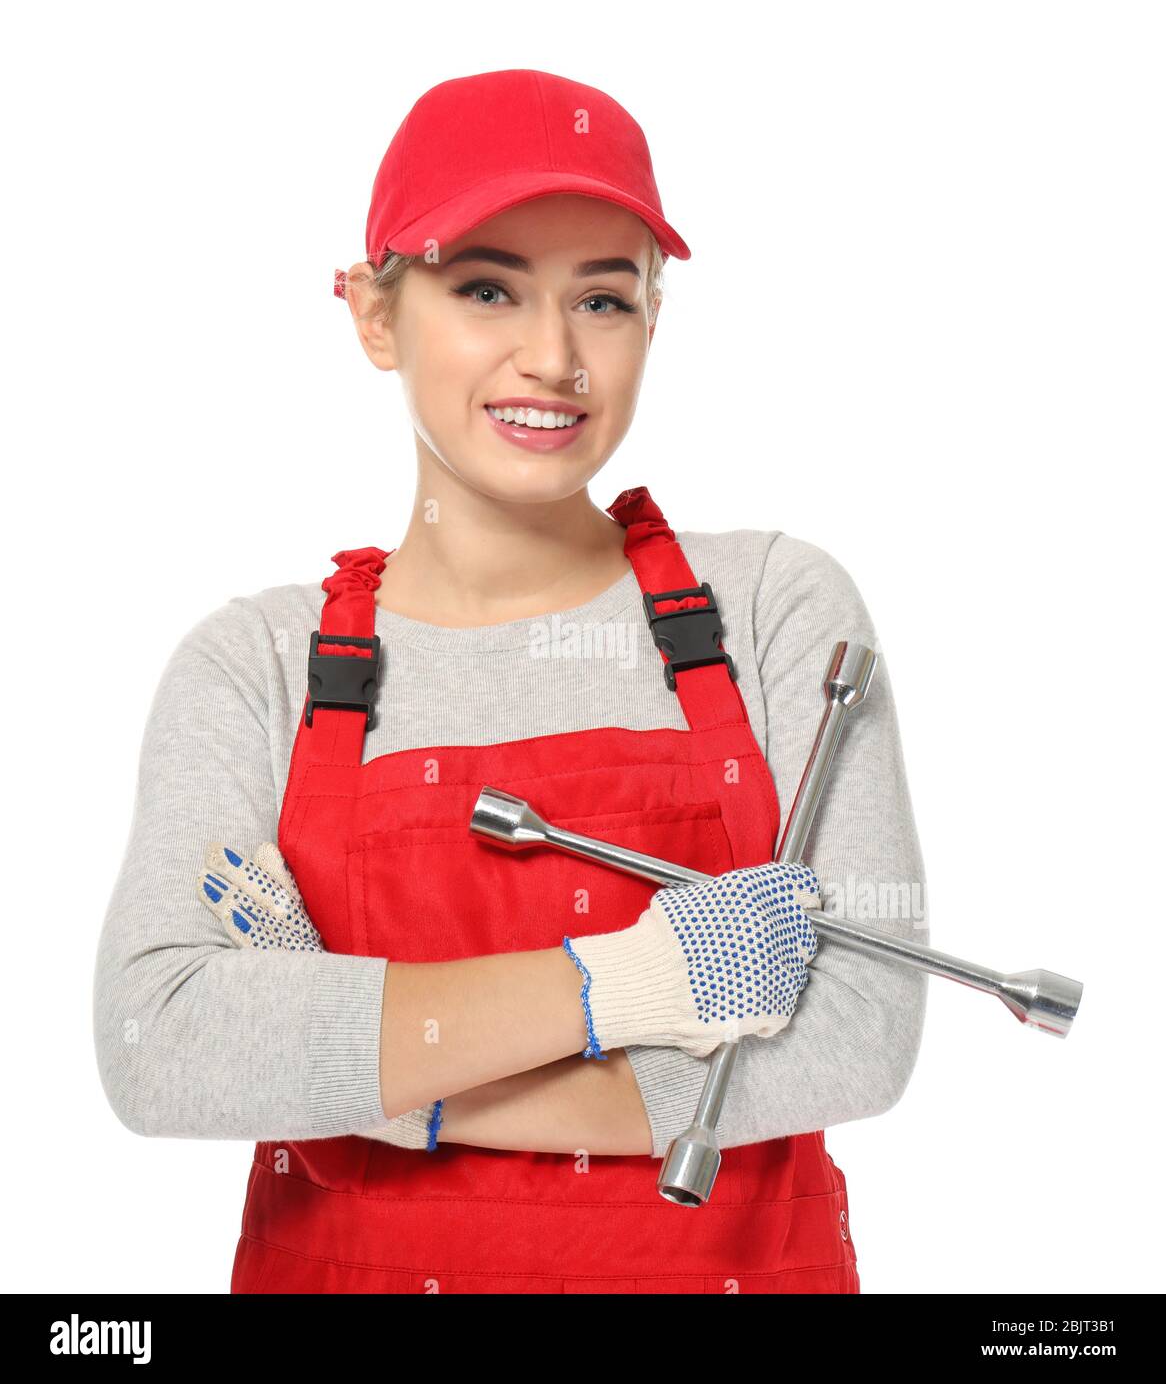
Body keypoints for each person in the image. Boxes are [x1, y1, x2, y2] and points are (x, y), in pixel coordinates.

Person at [93, 68, 928, 1294]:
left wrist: (367, 1088)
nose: (551, 357)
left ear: (652, 321)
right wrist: (624, 985)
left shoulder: (773, 613)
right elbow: (158, 1046)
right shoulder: (257, 669)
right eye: (485, 287)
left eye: (602, 297)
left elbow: (858, 1037)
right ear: (373, 314)